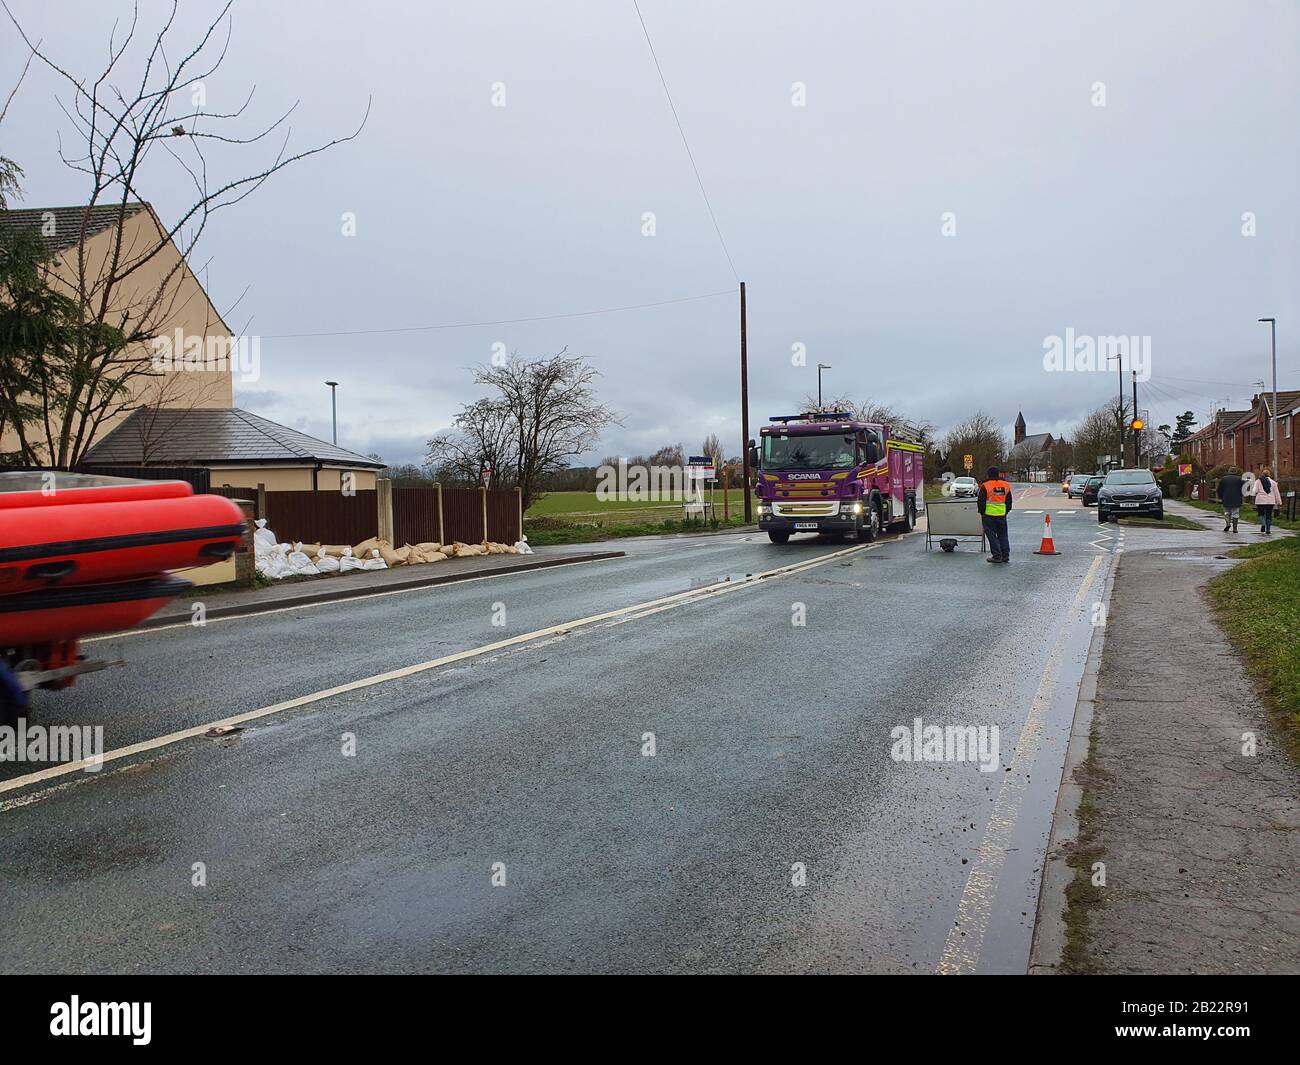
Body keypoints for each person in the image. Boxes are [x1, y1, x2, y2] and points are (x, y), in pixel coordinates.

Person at [977, 465, 1013, 563]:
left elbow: (981, 501)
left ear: (988, 475)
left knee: (992, 536)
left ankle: (997, 556)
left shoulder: (986, 485)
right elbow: (1009, 501)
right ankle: (1005, 556)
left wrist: (982, 512)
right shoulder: (1006, 485)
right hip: (1001, 515)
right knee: (1003, 535)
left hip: (988, 515)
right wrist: (1006, 511)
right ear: (998, 474)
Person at [1252, 466, 1282, 534]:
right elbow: (1276, 493)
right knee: (1269, 515)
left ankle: (1263, 524)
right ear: (1269, 474)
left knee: (1261, 514)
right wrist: (1279, 501)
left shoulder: (1258, 481)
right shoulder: (1273, 483)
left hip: (1260, 501)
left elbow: (1255, 490)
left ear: (1262, 474)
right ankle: (1268, 529)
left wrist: (1255, 494)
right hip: (1270, 501)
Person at [1217, 466, 1244, 532]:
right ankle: (1235, 528)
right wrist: (1241, 496)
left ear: (1229, 471)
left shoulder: (1224, 479)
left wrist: (1221, 497)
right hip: (1236, 498)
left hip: (1226, 498)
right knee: (1235, 513)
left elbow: (1219, 489)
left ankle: (1228, 523)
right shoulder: (1239, 479)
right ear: (1236, 472)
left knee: (1227, 512)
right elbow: (1243, 489)